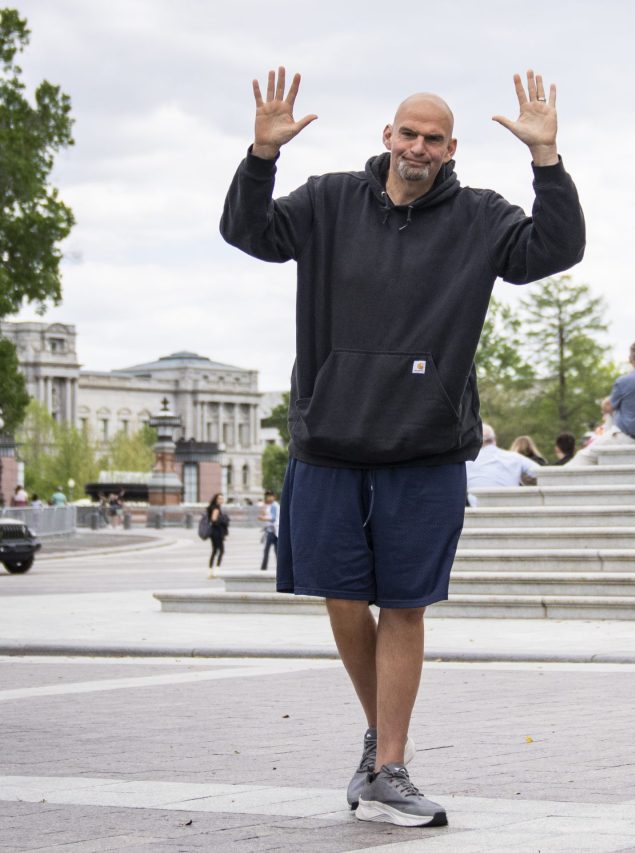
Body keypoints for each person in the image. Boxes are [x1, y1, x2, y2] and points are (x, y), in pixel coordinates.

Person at [220, 66, 584, 828]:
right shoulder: (326, 201)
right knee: (344, 599)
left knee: (406, 606)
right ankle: (379, 739)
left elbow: (556, 247)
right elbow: (246, 232)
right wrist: (260, 158)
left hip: (424, 446)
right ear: (386, 136)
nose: (417, 147)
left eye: (433, 139)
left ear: (451, 149)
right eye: (407, 133)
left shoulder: (481, 217)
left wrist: (546, 160)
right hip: (329, 438)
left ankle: (390, 763)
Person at [569, 340, 635, 465]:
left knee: (584, 456)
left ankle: (558, 481)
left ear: (630, 359)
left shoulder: (624, 381)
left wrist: (609, 400)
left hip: (630, 437)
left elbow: (607, 407)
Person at [467, 424, 540, 498]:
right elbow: (540, 472)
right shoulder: (515, 457)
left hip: (478, 507)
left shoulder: (467, 462)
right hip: (511, 506)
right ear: (494, 440)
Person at [206, 493, 229, 569]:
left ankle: (211, 570)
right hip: (217, 532)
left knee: (214, 551)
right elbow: (214, 519)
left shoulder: (213, 507)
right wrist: (223, 520)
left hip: (214, 531)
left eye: (222, 498)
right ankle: (216, 569)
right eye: (219, 498)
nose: (221, 500)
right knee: (221, 551)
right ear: (216, 499)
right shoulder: (216, 508)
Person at [258, 490, 279, 572]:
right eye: (267, 496)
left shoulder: (274, 505)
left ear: (274, 497)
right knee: (269, 550)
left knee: (273, 550)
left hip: (273, 531)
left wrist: (263, 518)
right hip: (271, 530)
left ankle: (264, 567)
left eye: (270, 496)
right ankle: (264, 567)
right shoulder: (268, 505)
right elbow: (263, 514)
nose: (269, 497)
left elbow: (273, 518)